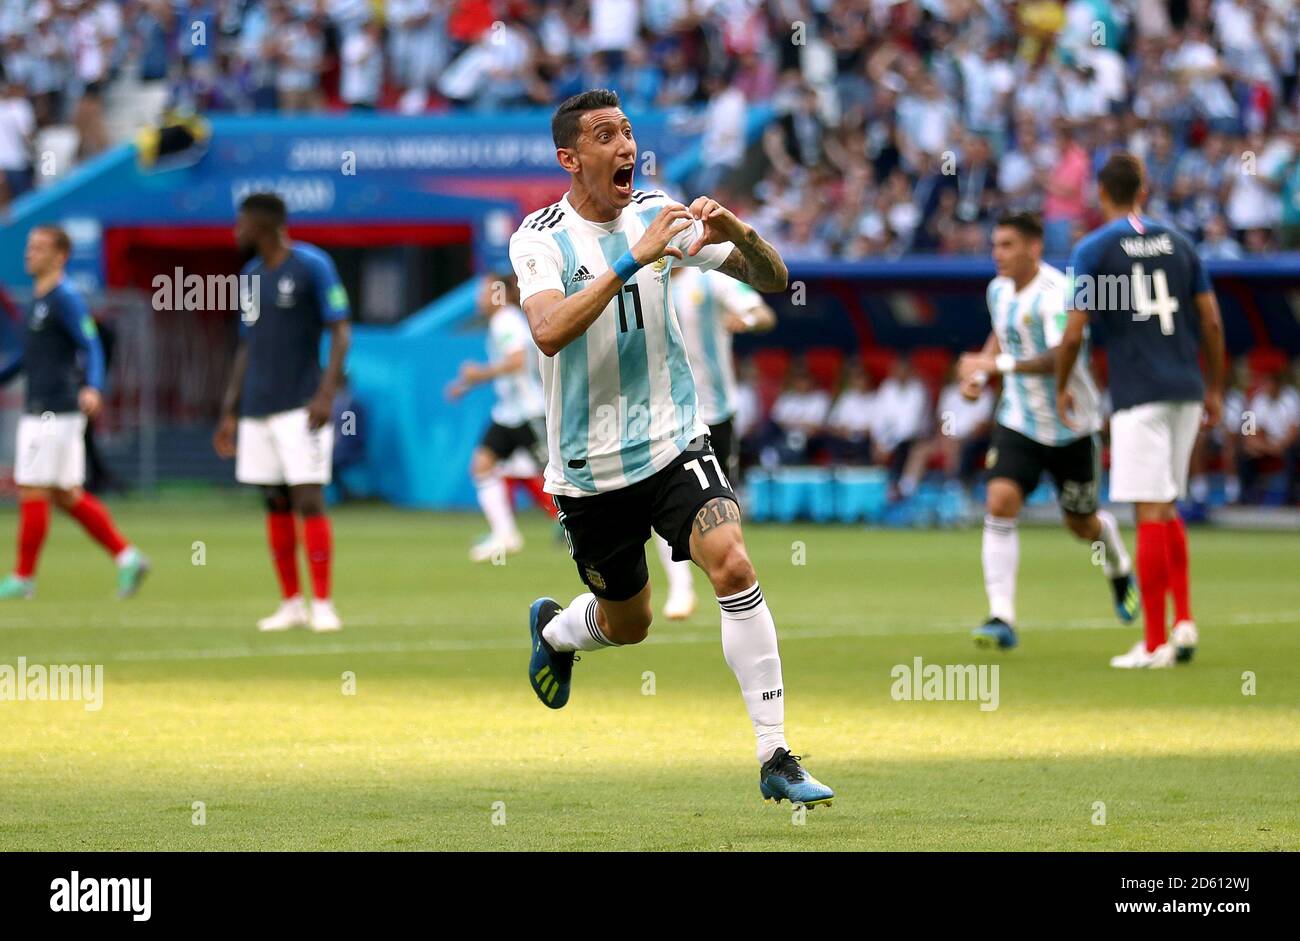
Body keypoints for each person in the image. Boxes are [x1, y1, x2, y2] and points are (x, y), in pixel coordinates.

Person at [508, 89, 833, 807]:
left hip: (673, 438)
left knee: (734, 560)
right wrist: (632, 260)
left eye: (627, 132)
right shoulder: (537, 237)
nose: (624, 145)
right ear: (570, 158)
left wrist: (741, 232)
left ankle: (775, 754)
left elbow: (773, 279)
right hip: (589, 469)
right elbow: (549, 330)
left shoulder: (659, 210)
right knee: (631, 622)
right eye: (603, 136)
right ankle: (560, 633)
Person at [1056, 154, 1227, 669]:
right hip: (1187, 387)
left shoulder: (1092, 249)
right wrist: (1215, 389)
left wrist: (1063, 384)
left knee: (1148, 510)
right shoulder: (1180, 242)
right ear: (1144, 189)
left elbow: (1074, 329)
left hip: (1139, 394)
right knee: (1168, 504)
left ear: (1101, 192)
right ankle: (1184, 621)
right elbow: (1213, 324)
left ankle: (1154, 644)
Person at [957, 212, 1137, 650]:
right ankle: (1002, 616)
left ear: (1033, 248)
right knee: (1000, 502)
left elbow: (1062, 356)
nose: (997, 254)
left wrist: (993, 366)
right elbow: (1002, 333)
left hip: (1072, 426)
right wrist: (979, 374)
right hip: (1019, 420)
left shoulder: (1058, 294)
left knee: (1081, 525)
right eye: (995, 244)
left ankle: (1115, 558)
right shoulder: (997, 289)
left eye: (1007, 245)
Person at [213, 193, 351, 633]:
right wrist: (230, 410)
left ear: (263, 225)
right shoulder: (251, 277)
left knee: (308, 499)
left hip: (301, 406)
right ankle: (291, 603)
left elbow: (341, 330)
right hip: (257, 408)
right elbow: (245, 346)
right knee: (274, 501)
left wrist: (327, 394)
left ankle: (324, 603)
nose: (237, 232)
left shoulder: (312, 265)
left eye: (242, 224)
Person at [0, 226, 149, 599]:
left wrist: (94, 386)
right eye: (29, 246)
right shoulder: (37, 299)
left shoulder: (65, 297)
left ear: (60, 255)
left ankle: (23, 578)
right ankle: (127, 557)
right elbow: (26, 357)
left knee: (33, 488)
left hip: (54, 410)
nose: (29, 253)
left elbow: (90, 343)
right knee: (66, 494)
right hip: (46, 409)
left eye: (38, 247)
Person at [653, 264, 775, 621]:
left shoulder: (708, 280)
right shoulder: (643, 282)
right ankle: (680, 587)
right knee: (659, 500)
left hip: (716, 413)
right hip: (669, 415)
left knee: (721, 506)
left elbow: (762, 313)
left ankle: (731, 583)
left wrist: (747, 320)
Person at [446, 272, 548, 562]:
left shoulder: (506, 321)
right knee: (482, 465)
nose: (479, 298)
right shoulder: (503, 321)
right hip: (509, 413)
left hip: (529, 411)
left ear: (498, 294)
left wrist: (477, 375)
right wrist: (465, 384)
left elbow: (517, 362)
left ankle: (593, 529)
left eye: (484, 291)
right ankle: (505, 535)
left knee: (557, 476)